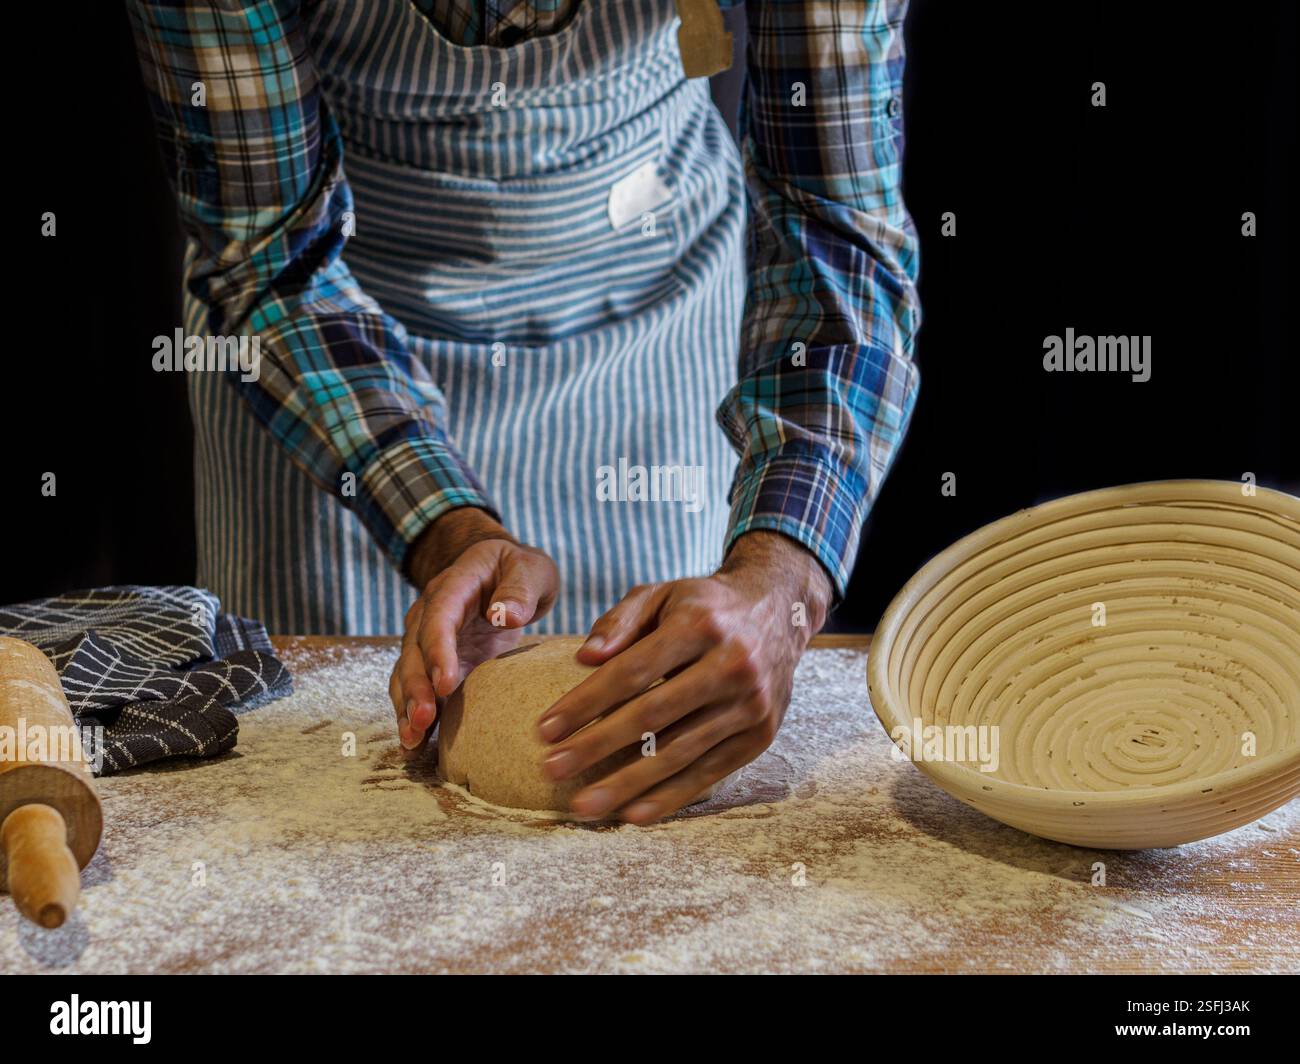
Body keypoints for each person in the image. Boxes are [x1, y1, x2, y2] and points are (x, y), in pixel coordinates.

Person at [128, 0, 920, 823]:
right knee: (318, 799)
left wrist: (781, 583)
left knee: (657, 775)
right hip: (325, 370)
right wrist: (446, 531)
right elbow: (268, 257)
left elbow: (837, 236)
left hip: (649, 320)